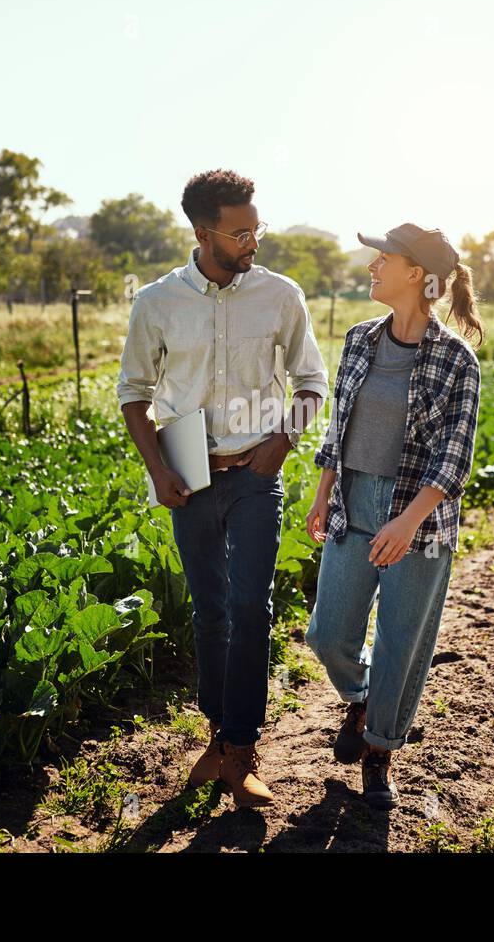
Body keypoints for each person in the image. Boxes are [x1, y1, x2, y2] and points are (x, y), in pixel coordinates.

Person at [116, 169, 328, 808]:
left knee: (251, 610)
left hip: (256, 479)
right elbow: (133, 395)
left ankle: (242, 747)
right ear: (203, 233)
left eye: (256, 228)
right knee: (208, 613)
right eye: (241, 233)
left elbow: (312, 382)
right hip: (192, 480)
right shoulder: (157, 302)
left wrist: (282, 443)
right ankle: (216, 738)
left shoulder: (280, 296)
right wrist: (161, 472)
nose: (253, 241)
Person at [304, 223, 483, 809]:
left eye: (383, 259)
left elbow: (454, 455)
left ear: (416, 275)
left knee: (401, 644)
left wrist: (408, 520)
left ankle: (380, 750)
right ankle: (360, 698)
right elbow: (338, 425)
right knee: (327, 634)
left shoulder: (457, 360)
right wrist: (323, 488)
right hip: (353, 503)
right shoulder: (359, 340)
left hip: (420, 519)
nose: (371, 268)